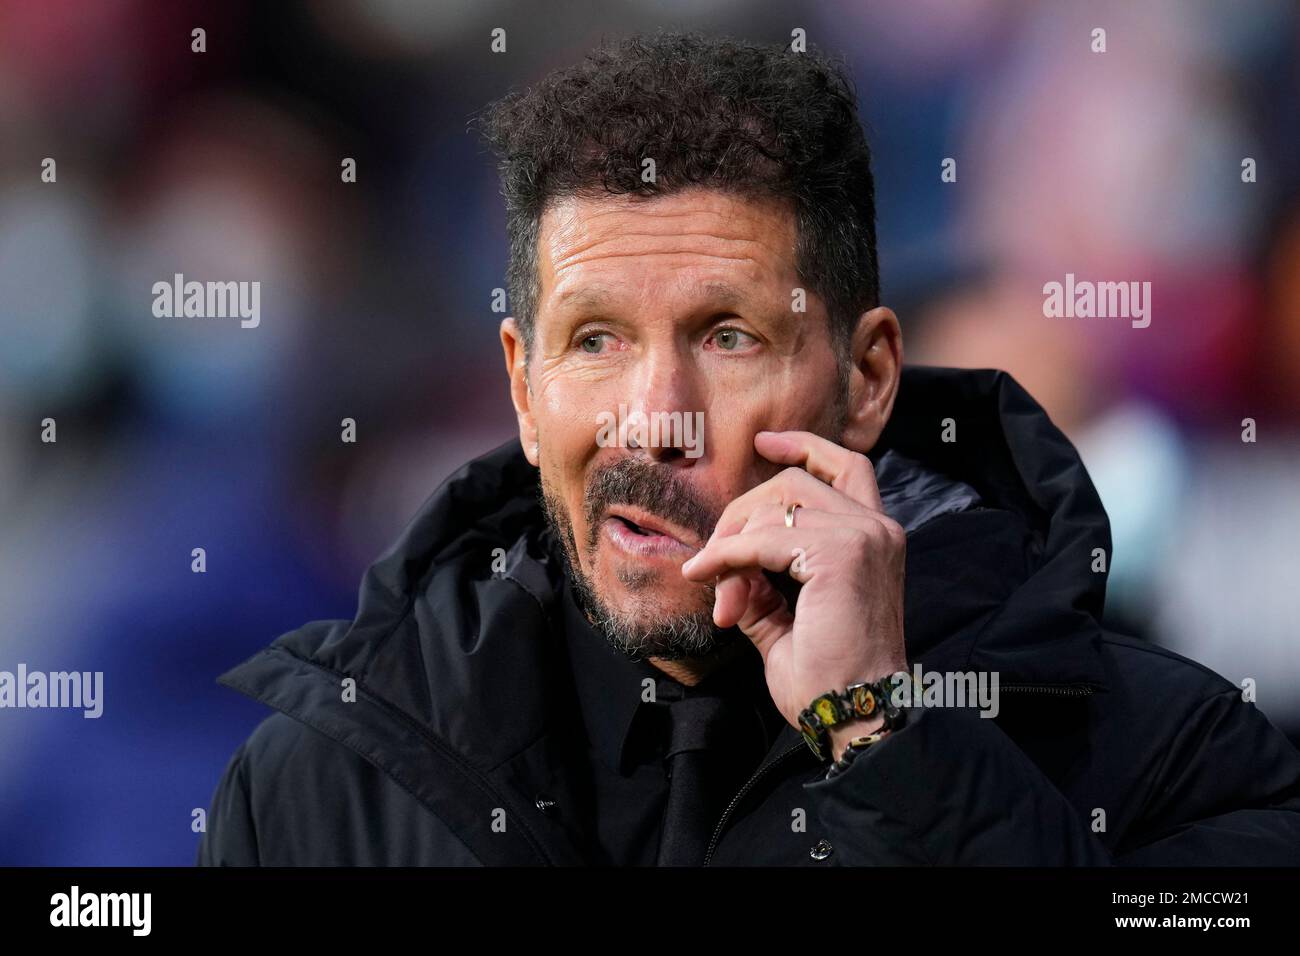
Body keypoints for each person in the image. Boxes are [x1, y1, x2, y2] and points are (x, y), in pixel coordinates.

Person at [197, 32, 1300, 866]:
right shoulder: (321, 782)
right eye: (594, 340)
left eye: (727, 336)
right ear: (523, 390)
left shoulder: (1174, 757)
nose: (655, 415)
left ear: (867, 379)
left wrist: (882, 736)